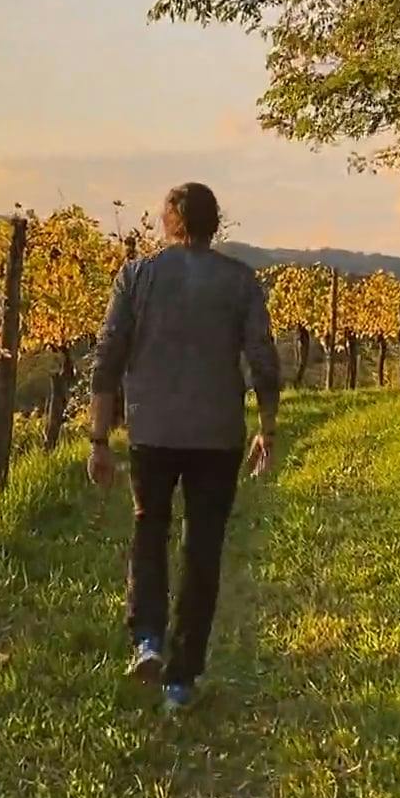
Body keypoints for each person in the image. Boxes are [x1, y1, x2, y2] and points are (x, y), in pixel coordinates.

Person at [88, 182, 280, 712]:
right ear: (215, 222)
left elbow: (107, 358)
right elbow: (263, 359)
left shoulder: (137, 276)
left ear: (169, 220)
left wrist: (99, 439)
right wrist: (268, 426)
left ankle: (147, 639)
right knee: (203, 548)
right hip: (217, 435)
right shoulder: (240, 281)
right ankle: (182, 680)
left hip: (152, 430)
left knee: (149, 527)